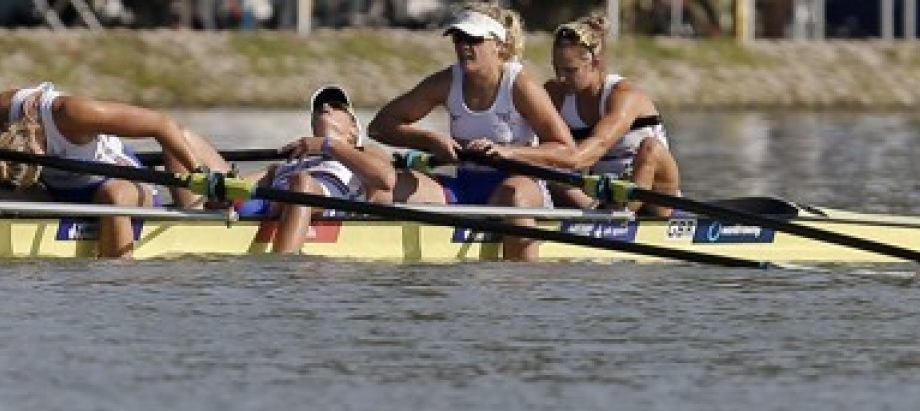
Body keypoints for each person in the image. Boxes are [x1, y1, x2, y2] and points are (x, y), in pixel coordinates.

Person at [367, 2, 579, 261]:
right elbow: (379, 127)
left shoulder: (520, 85)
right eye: (458, 38)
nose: (463, 46)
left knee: (515, 195)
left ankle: (522, 287)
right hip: (465, 183)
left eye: (473, 39)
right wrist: (430, 140)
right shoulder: (446, 81)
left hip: (516, 184)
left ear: (498, 45)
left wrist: (508, 153)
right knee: (385, 186)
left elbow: (567, 151)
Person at [0, 82, 227, 258]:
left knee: (111, 195)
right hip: (57, 192)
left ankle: (117, 278)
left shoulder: (73, 113)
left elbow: (161, 125)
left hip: (118, 182)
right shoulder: (2, 108)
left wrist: (201, 174)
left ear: (40, 149)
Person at [544, 13, 682, 217]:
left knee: (650, 148)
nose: (561, 78)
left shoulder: (624, 95)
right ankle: (597, 213)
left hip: (654, 194)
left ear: (596, 64)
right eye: (557, 69)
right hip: (600, 192)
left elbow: (595, 147)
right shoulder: (555, 93)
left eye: (570, 70)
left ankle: (622, 215)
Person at [235, 85, 396, 254]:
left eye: (336, 106)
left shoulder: (366, 152)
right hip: (267, 204)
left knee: (301, 182)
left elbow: (386, 180)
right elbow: (233, 184)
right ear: (313, 126)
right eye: (319, 107)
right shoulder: (285, 165)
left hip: (314, 198)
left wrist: (327, 145)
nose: (326, 107)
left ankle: (284, 266)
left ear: (354, 130)